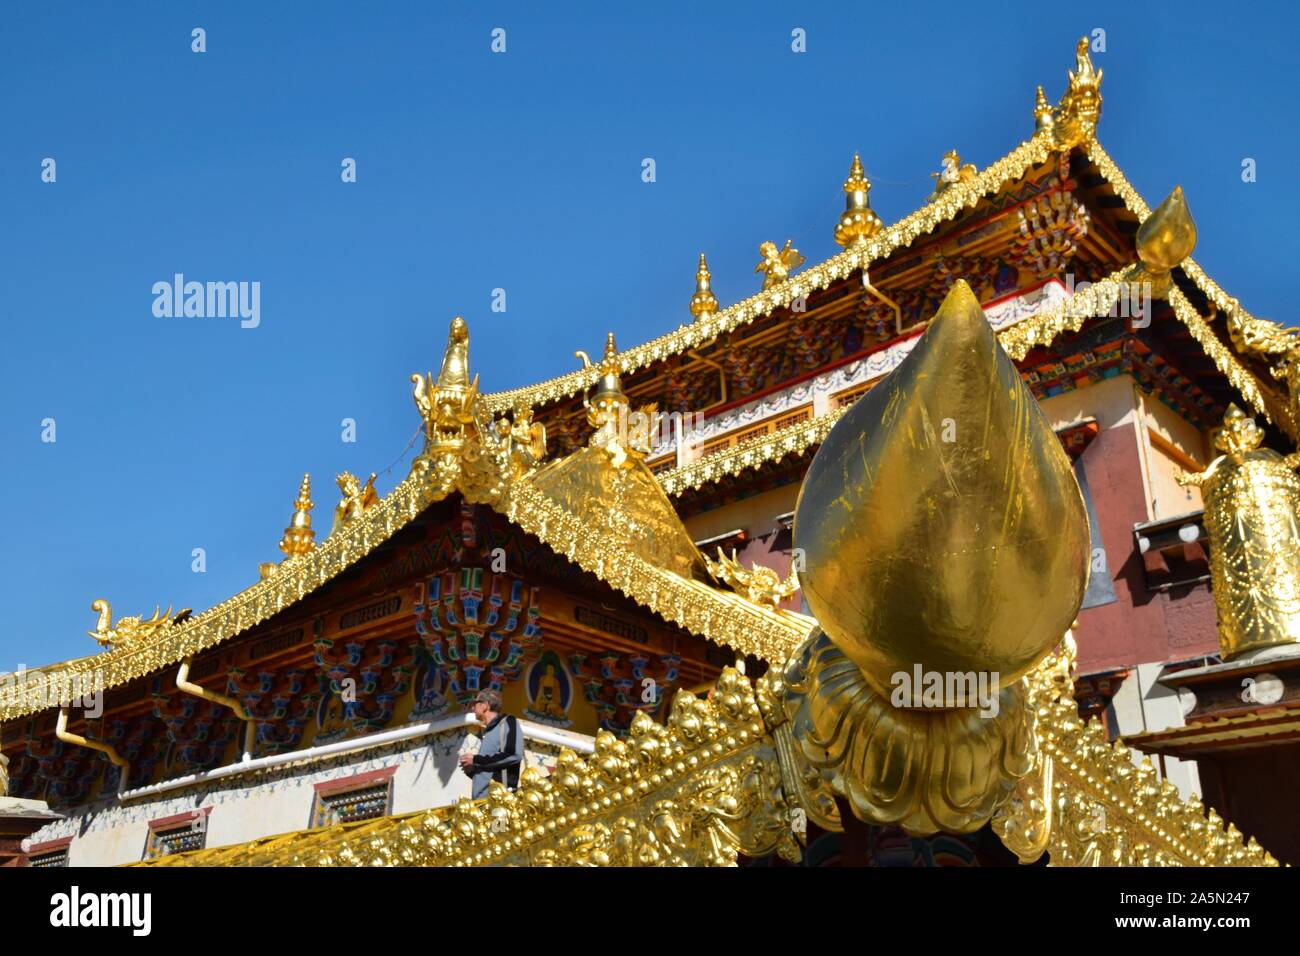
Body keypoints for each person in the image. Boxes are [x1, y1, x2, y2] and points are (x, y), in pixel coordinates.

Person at [458, 689, 524, 799]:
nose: (473, 708)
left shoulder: (508, 721)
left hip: (500, 800)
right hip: (482, 802)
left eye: (475, 703)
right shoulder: (489, 731)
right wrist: (472, 771)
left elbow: (514, 754)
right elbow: (489, 771)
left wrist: (475, 760)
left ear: (485, 705)